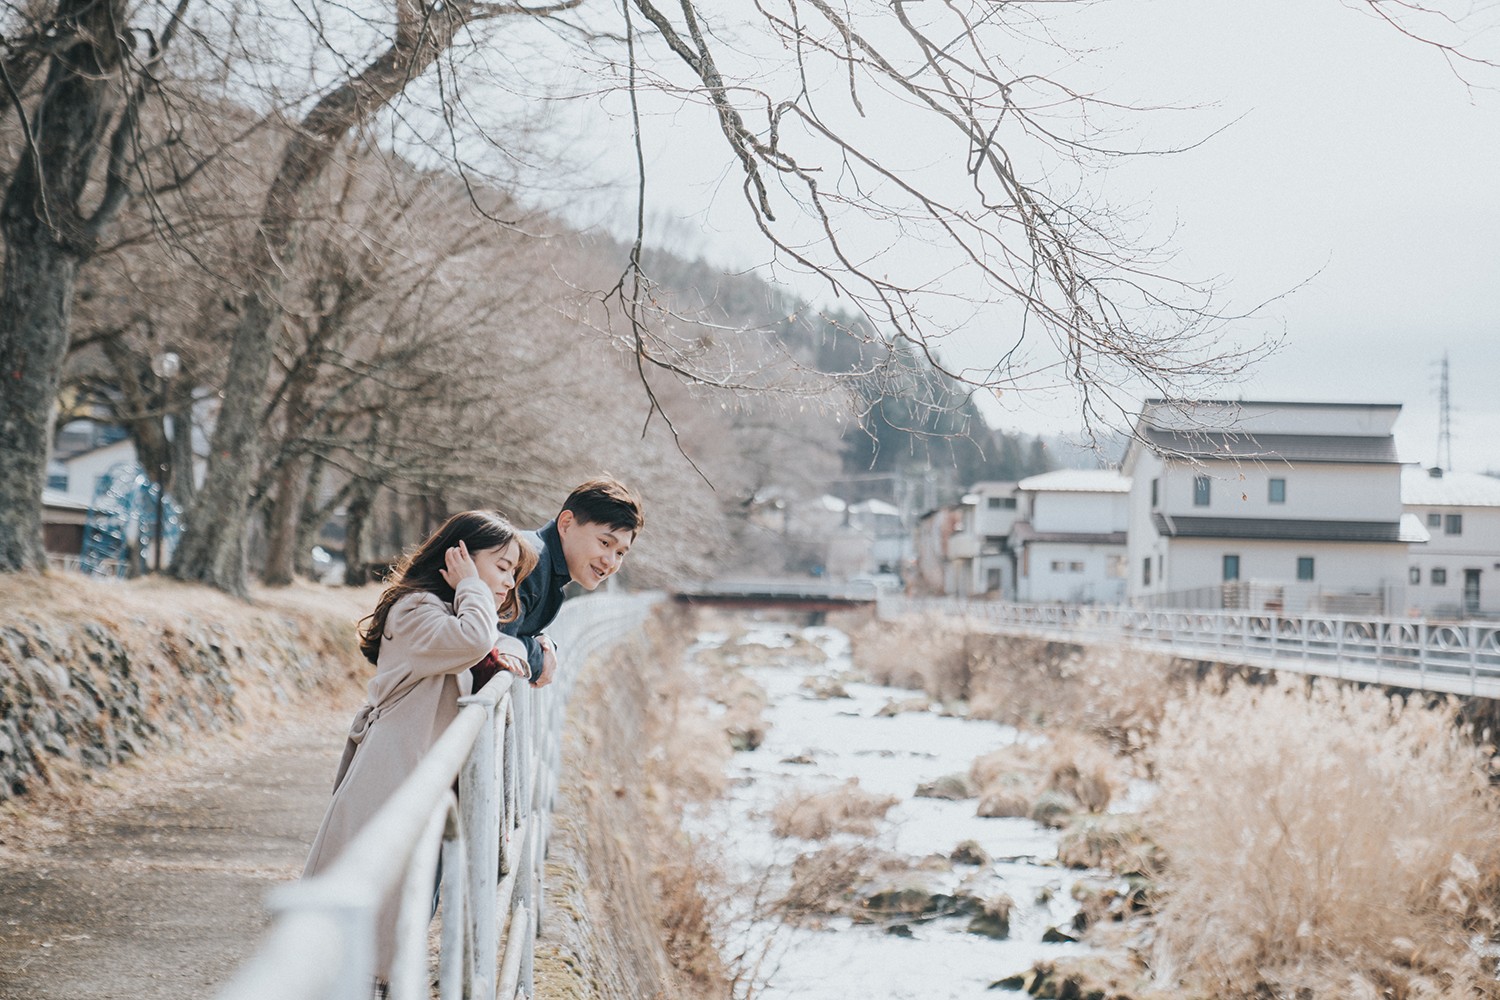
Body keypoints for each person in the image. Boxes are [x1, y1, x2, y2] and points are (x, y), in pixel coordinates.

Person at [301, 510, 537, 988]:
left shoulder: (444, 612)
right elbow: (474, 639)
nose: (509, 583)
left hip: (416, 778)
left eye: (514, 573)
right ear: (460, 558)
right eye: (503, 566)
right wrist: (472, 586)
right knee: (367, 926)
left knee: (397, 913)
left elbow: (489, 644)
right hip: (390, 777)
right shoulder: (417, 610)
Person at [499, 477, 644, 688]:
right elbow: (497, 646)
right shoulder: (530, 561)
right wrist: (539, 657)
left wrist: (543, 641)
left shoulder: (545, 565)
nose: (610, 562)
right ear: (566, 524)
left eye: (620, 553)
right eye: (605, 543)